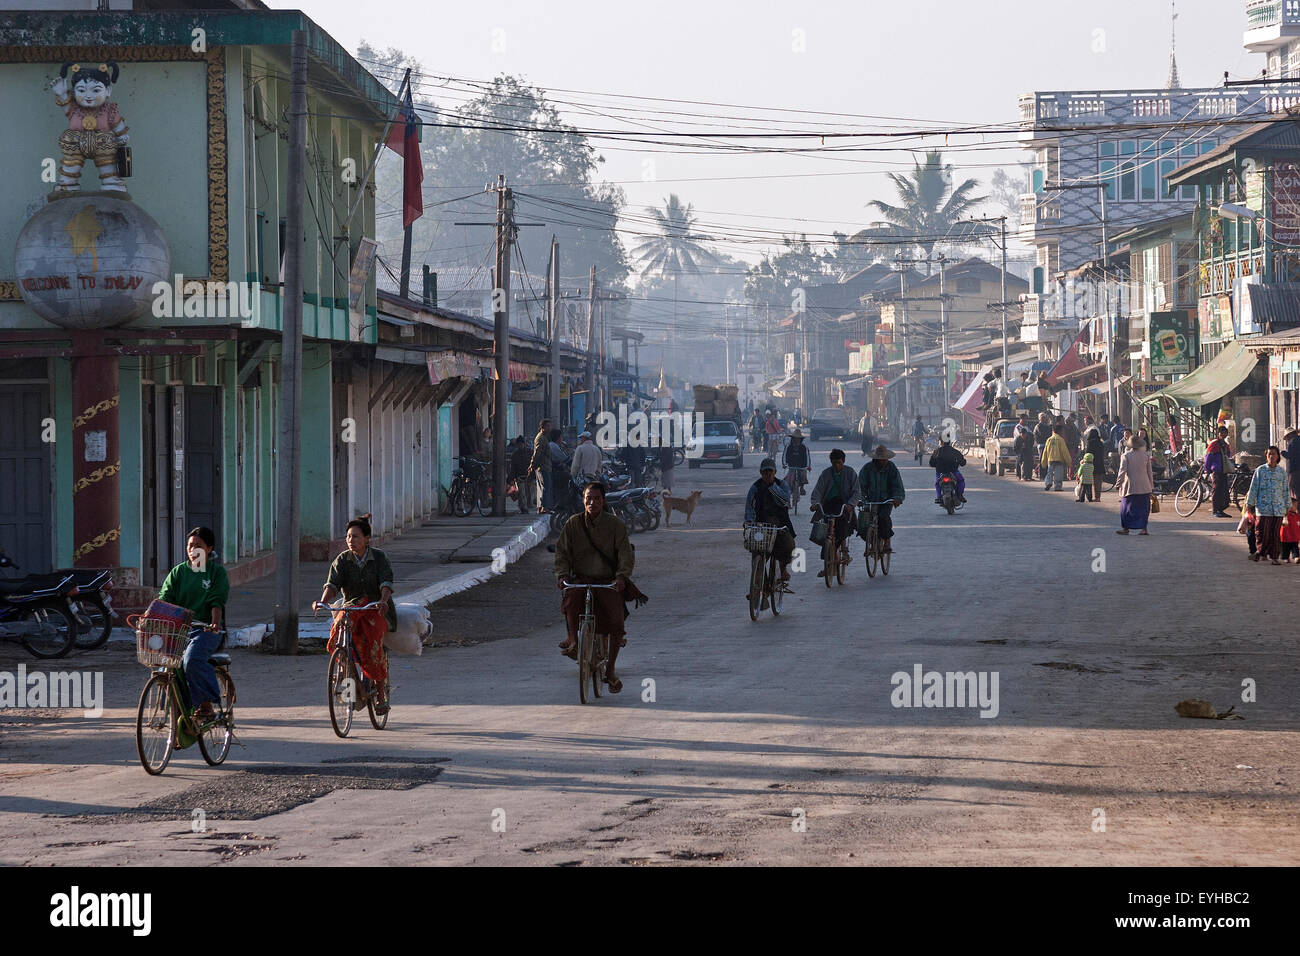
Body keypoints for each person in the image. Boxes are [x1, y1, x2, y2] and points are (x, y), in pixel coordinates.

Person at [554, 482, 635, 691]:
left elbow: (626, 553)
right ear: (583, 500)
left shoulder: (615, 525)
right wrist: (562, 575)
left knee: (616, 624)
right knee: (570, 599)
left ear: (603, 500)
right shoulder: (573, 524)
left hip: (608, 581)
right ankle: (573, 639)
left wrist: (621, 577)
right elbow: (562, 552)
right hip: (580, 578)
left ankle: (610, 669)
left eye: (597, 498)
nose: (592, 502)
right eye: (588, 498)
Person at [319, 517, 396, 715]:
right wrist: (322, 602)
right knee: (339, 639)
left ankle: (380, 693)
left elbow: (386, 583)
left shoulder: (379, 558)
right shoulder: (342, 560)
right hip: (351, 607)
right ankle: (349, 688)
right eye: (348, 536)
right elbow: (332, 585)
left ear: (367, 539)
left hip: (375, 607)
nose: (350, 540)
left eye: (355, 536)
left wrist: (383, 600)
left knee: (373, 645)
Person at [157, 526, 229, 723]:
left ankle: (206, 704)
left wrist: (214, 624)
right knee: (166, 667)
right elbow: (164, 599)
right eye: (190, 546)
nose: (193, 550)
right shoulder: (178, 572)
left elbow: (216, 601)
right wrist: (150, 617)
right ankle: (179, 719)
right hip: (179, 631)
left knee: (191, 661)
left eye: (198, 546)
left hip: (205, 629)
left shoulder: (216, 572)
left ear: (209, 548)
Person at [744, 458, 797, 592]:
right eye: (765, 472)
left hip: (780, 524)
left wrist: (771, 487)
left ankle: (783, 569)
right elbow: (749, 507)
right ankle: (759, 586)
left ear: (775, 472)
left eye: (770, 471)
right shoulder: (755, 487)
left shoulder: (782, 485)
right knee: (757, 553)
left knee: (788, 546)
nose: (767, 474)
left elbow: (784, 501)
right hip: (761, 525)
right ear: (761, 472)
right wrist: (748, 521)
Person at [810, 448, 860, 574]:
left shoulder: (850, 473)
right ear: (831, 462)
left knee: (842, 526)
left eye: (839, 462)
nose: (837, 465)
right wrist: (815, 503)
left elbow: (856, 492)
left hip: (844, 505)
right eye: (834, 463)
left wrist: (851, 504)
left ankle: (843, 550)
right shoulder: (826, 474)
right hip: (829, 505)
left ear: (843, 462)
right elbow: (818, 490)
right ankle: (829, 561)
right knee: (824, 531)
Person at [1244, 445, 1289, 564]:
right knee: (1262, 532)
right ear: (1266, 456)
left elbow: (1285, 490)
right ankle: (1261, 552)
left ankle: (1274, 557)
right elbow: (1254, 488)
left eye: (1274, 454)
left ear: (1278, 456)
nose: (1271, 456)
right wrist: (1250, 504)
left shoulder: (1282, 472)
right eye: (1269, 454)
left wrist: (1287, 505)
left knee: (1275, 534)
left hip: (1278, 508)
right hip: (1263, 508)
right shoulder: (1260, 470)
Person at [857, 444, 905, 554]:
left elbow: (898, 486)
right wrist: (860, 499)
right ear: (875, 459)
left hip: (886, 501)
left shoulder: (891, 468)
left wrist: (897, 498)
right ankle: (871, 541)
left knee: (884, 517)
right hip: (870, 501)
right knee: (863, 523)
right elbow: (860, 487)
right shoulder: (867, 469)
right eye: (880, 460)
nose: (883, 462)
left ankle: (887, 541)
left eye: (884, 459)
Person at [1115, 434, 1155, 536]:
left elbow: (1122, 471)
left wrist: (1118, 483)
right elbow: (1149, 472)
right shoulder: (1146, 456)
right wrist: (1151, 486)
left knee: (1126, 508)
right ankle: (1144, 529)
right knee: (1143, 509)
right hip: (1144, 486)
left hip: (1130, 486)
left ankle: (1126, 528)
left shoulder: (1126, 456)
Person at [1205, 425, 1233, 518]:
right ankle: (1215, 510)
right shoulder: (1214, 444)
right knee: (1216, 491)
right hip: (1216, 471)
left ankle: (1220, 510)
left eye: (1225, 433)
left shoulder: (1226, 445)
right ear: (1218, 434)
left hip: (1224, 471)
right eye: (1221, 433)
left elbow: (1228, 457)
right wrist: (1207, 469)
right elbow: (1208, 457)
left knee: (1224, 491)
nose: (1223, 434)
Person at [929, 437, 967, 504]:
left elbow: (931, 463)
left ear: (941, 442)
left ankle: (938, 497)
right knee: (961, 481)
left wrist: (936, 465)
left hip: (940, 473)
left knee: (937, 483)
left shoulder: (936, 451)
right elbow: (963, 462)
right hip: (953, 472)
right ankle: (960, 495)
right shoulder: (955, 451)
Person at [529, 418, 553, 513]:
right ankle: (544, 507)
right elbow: (537, 453)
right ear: (542, 427)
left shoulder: (544, 437)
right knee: (545, 487)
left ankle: (541, 507)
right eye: (548, 426)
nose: (549, 428)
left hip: (545, 466)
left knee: (542, 487)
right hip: (543, 466)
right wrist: (532, 464)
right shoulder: (541, 438)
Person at [1040, 424, 1071, 491]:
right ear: (1060, 431)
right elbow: (1064, 452)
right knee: (1058, 475)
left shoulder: (1049, 440)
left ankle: (1048, 483)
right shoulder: (1061, 440)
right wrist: (1069, 462)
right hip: (1059, 461)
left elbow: (1045, 452)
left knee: (1049, 473)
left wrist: (1043, 462)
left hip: (1050, 460)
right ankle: (1057, 486)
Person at [508, 435, 532, 513]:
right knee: (521, 493)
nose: (520, 445)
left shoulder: (530, 452)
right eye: (519, 444)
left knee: (527, 493)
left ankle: (525, 507)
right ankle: (523, 508)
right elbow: (513, 468)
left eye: (521, 444)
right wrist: (511, 478)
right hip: (519, 476)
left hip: (528, 476)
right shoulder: (515, 455)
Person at [783, 427, 810, 496]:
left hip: (801, 466)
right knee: (788, 479)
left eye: (798, 439)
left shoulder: (804, 447)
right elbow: (784, 456)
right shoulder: (788, 446)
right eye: (795, 438)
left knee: (803, 475)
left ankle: (802, 487)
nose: (797, 440)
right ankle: (789, 490)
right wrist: (784, 464)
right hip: (791, 465)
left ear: (800, 439)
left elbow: (807, 457)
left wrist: (808, 466)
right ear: (793, 438)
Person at [1086, 426, 1109, 503]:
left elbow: (1087, 453)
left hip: (1092, 464)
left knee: (1093, 482)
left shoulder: (1090, 443)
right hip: (1100, 464)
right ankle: (1098, 497)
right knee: (1099, 482)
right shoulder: (1100, 443)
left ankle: (1094, 496)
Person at [1281, 425, 1300, 503]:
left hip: (1294, 471)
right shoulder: (1298, 440)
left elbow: (1291, 456)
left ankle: (1297, 510)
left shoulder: (1293, 442)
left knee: (1294, 491)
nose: (1287, 440)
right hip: (1297, 469)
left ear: (1289, 435)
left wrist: (1283, 453)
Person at [1013, 414, 1034, 481]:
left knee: (1028, 463)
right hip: (1020, 446)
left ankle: (1028, 476)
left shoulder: (1026, 427)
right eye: (1024, 419)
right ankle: (1019, 475)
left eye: (1026, 419)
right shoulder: (1018, 427)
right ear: (1021, 419)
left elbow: (1031, 435)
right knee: (1020, 461)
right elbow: (1021, 435)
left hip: (1027, 447)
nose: (1026, 420)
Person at [1032, 412, 1053, 480]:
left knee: (1046, 460)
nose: (1044, 419)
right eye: (1042, 417)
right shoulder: (1038, 426)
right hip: (1041, 445)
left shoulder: (1046, 425)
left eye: (1044, 417)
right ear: (1040, 418)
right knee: (1042, 460)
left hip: (1047, 444)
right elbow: (1043, 434)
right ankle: (1041, 474)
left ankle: (1045, 474)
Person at [1281, 498, 1300, 564]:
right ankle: (1286, 558)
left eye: (1296, 506)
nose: (1296, 508)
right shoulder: (1285, 515)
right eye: (1294, 506)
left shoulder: (1297, 516)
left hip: (1295, 536)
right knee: (1285, 548)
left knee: (1295, 548)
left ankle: (1296, 557)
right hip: (1286, 536)